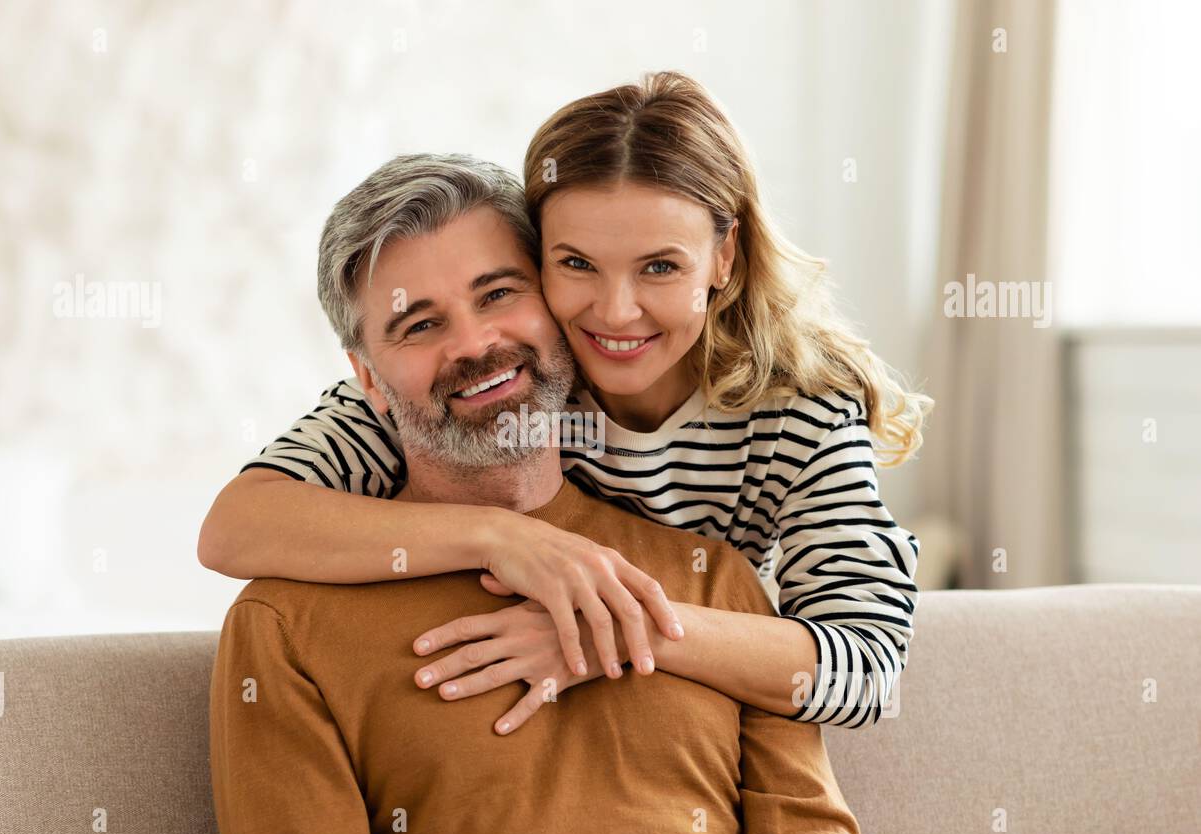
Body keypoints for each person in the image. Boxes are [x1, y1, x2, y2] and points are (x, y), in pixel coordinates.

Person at [200, 72, 931, 732]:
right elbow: (234, 528)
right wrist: (500, 536)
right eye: (576, 264)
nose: (615, 314)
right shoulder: (517, 372)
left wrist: (602, 626)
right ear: (539, 255)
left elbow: (866, 668)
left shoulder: (798, 407)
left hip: (693, 704)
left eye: (660, 267)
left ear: (724, 257)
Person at [208, 170, 865, 834]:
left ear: (556, 304)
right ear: (367, 378)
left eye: (497, 294)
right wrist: (499, 537)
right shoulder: (285, 626)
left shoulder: (714, 581)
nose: (472, 344)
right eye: (420, 324)